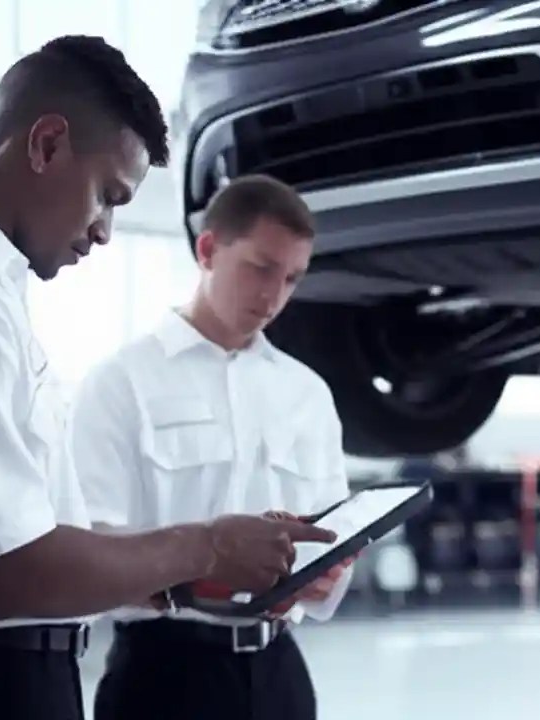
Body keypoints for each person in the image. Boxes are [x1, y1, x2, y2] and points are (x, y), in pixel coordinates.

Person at [0, 37, 334, 720]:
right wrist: (208, 544)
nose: (104, 232)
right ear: (47, 145)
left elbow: (44, 532)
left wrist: (205, 560)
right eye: (107, 196)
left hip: (5, 678)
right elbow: (12, 572)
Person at [68, 174, 352, 720]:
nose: (274, 296)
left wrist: (328, 575)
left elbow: (333, 534)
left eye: (292, 278)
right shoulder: (121, 382)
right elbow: (88, 549)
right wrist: (199, 579)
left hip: (280, 675)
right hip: (164, 678)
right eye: (260, 268)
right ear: (207, 249)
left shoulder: (307, 393)